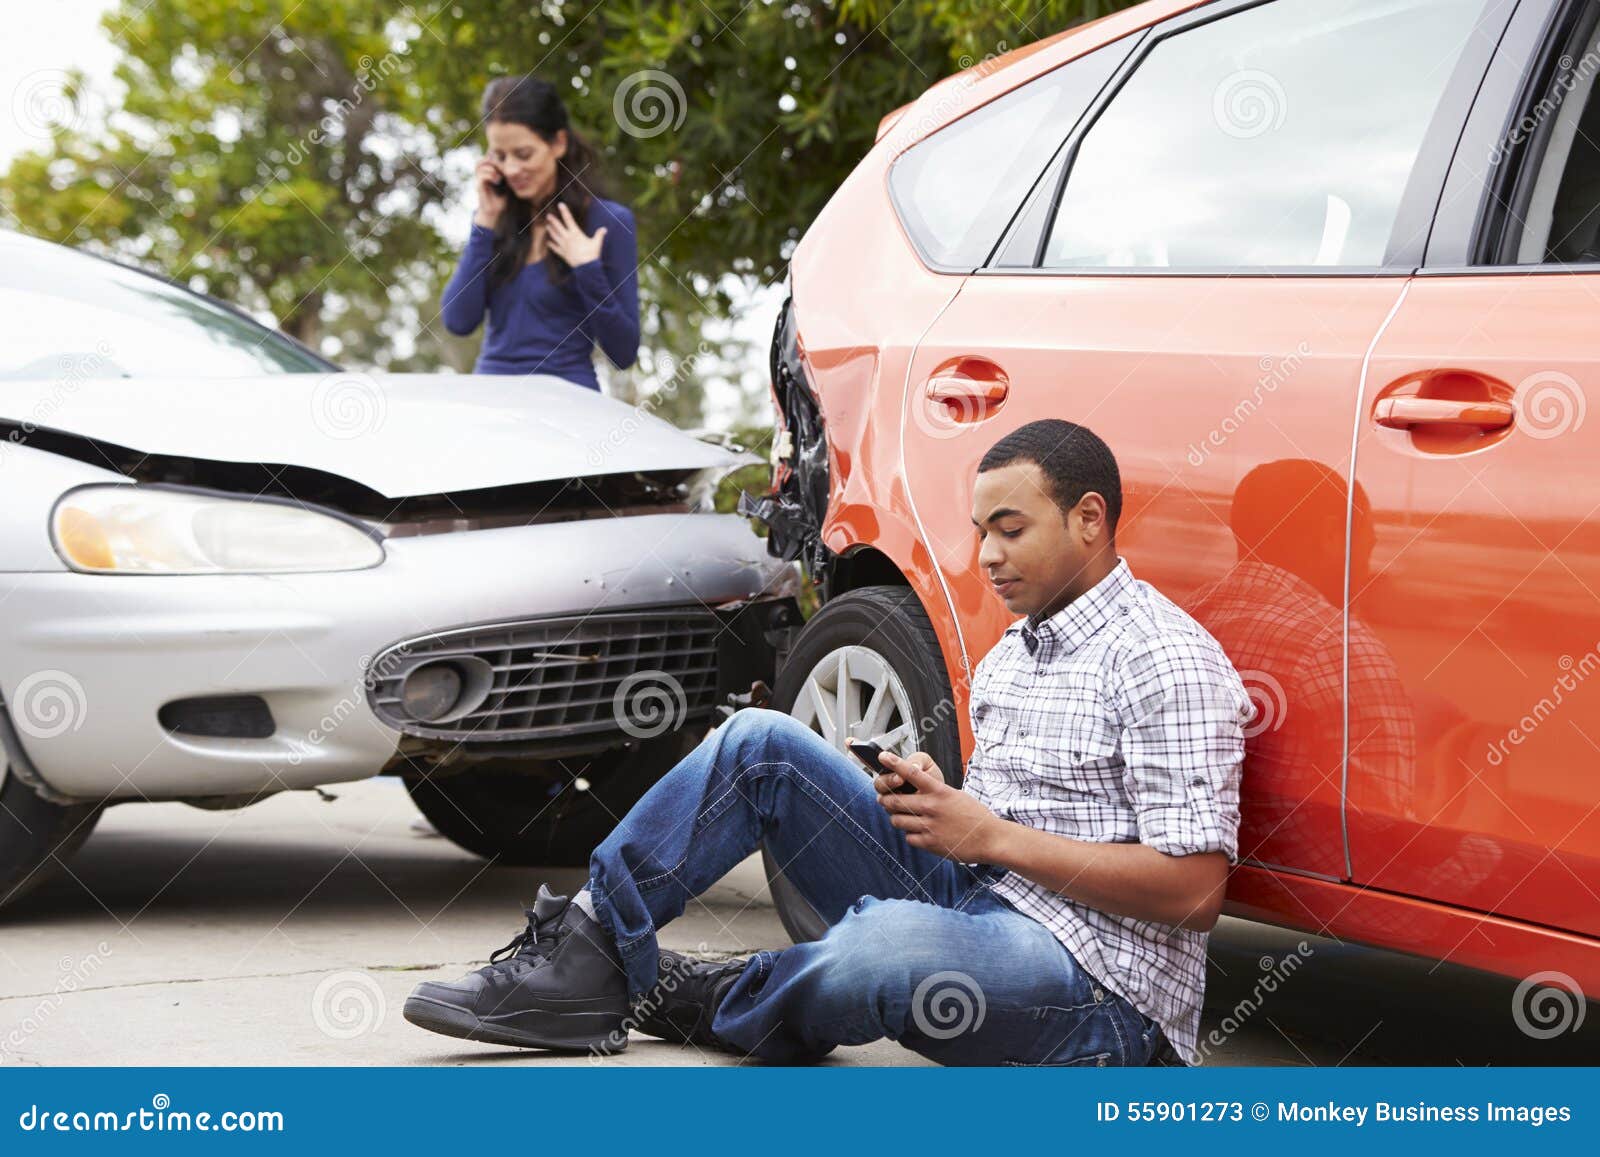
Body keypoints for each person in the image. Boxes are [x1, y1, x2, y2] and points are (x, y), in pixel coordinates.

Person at [403, 420, 1252, 1066]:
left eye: (1010, 528)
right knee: (759, 739)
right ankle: (585, 957)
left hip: (1101, 995)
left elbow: (1193, 892)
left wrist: (989, 835)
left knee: (881, 949)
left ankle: (703, 992)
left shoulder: (1163, 662)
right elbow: (996, 837)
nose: (986, 555)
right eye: (979, 530)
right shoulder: (1016, 649)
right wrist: (941, 803)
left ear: (1090, 519)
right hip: (984, 898)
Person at [440, 74, 639, 389]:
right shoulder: (494, 219)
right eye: (501, 156)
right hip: (491, 399)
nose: (512, 169)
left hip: (565, 406)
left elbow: (623, 352)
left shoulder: (607, 222)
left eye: (523, 154)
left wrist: (587, 268)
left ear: (558, 143)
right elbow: (458, 321)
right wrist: (484, 223)